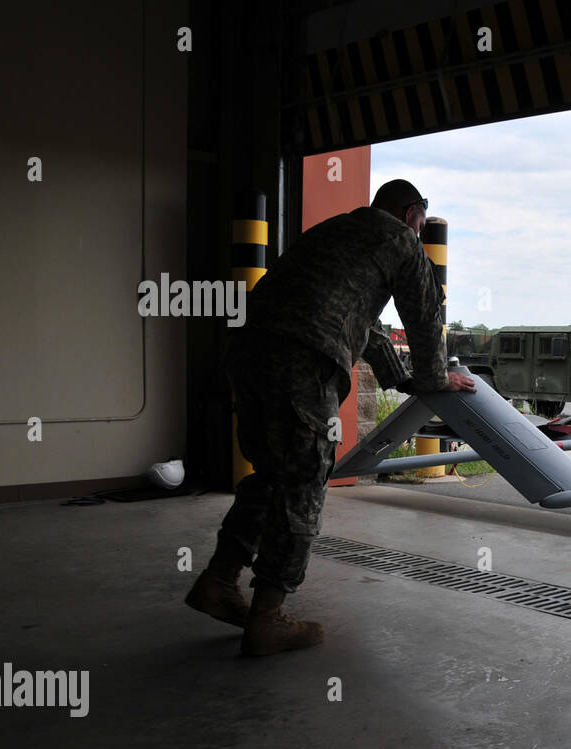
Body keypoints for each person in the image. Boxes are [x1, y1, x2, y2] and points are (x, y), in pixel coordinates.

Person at [186, 179, 477, 657]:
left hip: (248, 353)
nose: (421, 228)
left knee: (273, 475)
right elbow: (425, 315)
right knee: (302, 480)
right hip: (301, 360)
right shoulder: (400, 238)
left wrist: (402, 378)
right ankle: (268, 617)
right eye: (422, 219)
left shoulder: (338, 231)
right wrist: (433, 378)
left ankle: (218, 581)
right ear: (412, 213)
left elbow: (360, 327)